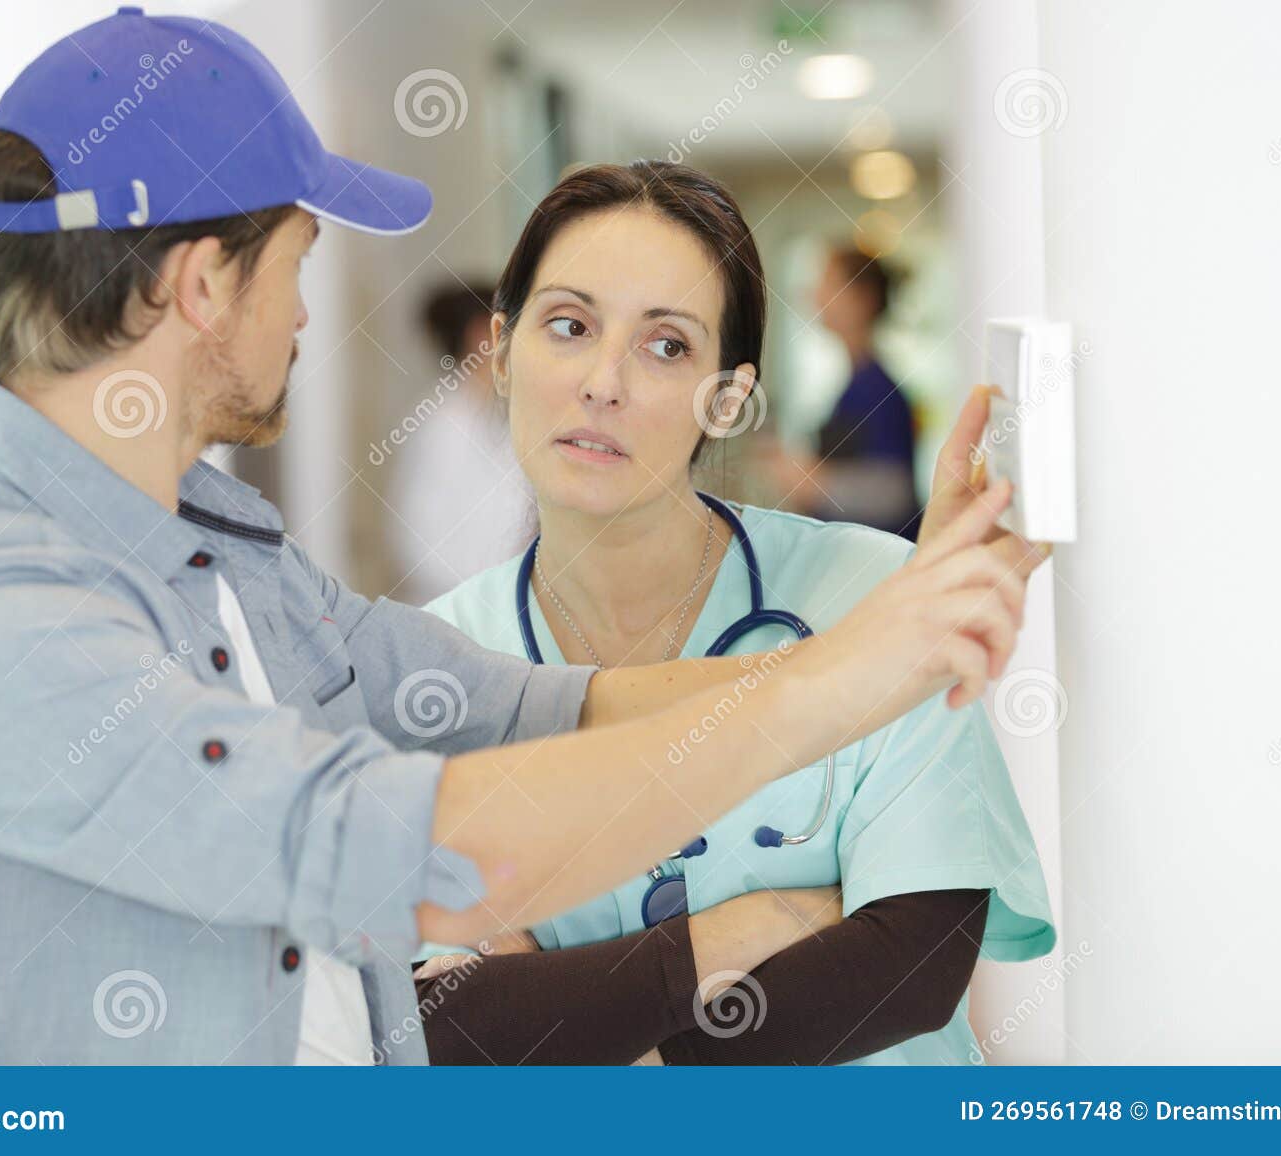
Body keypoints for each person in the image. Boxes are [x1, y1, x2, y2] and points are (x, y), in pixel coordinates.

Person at [0, 10, 1038, 1067]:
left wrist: (884, 637)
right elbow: (428, 854)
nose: (304, 311)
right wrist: (821, 725)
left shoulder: (220, 550)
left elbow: (534, 713)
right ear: (197, 288)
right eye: (295, 262)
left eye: (665, 343)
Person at [413, 162, 1054, 1065]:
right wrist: (761, 926)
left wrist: (585, 1016)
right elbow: (456, 1029)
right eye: (568, 326)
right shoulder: (436, 665)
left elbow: (912, 961)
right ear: (504, 348)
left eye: (667, 345)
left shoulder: (880, 597)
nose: (604, 382)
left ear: (728, 397)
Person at [761, 247, 922, 538]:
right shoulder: (854, 384)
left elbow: (893, 494)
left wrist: (810, 483)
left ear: (862, 299)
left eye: (828, 282)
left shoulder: (879, 391)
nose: (815, 296)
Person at [388, 281, 532, 603]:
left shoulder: (501, 415)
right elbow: (419, 543)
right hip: (459, 611)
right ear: (480, 336)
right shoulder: (442, 427)